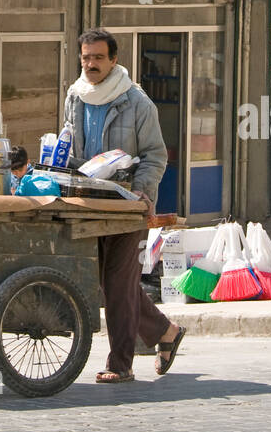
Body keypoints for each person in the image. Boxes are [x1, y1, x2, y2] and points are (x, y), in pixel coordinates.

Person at [62, 28, 185, 384]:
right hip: (86, 201)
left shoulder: (136, 102)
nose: (91, 64)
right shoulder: (76, 97)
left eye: (98, 58)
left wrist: (143, 193)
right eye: (86, 58)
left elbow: (155, 155)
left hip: (125, 203)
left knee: (117, 282)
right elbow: (70, 143)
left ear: (114, 60)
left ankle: (121, 363)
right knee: (114, 282)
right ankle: (166, 332)